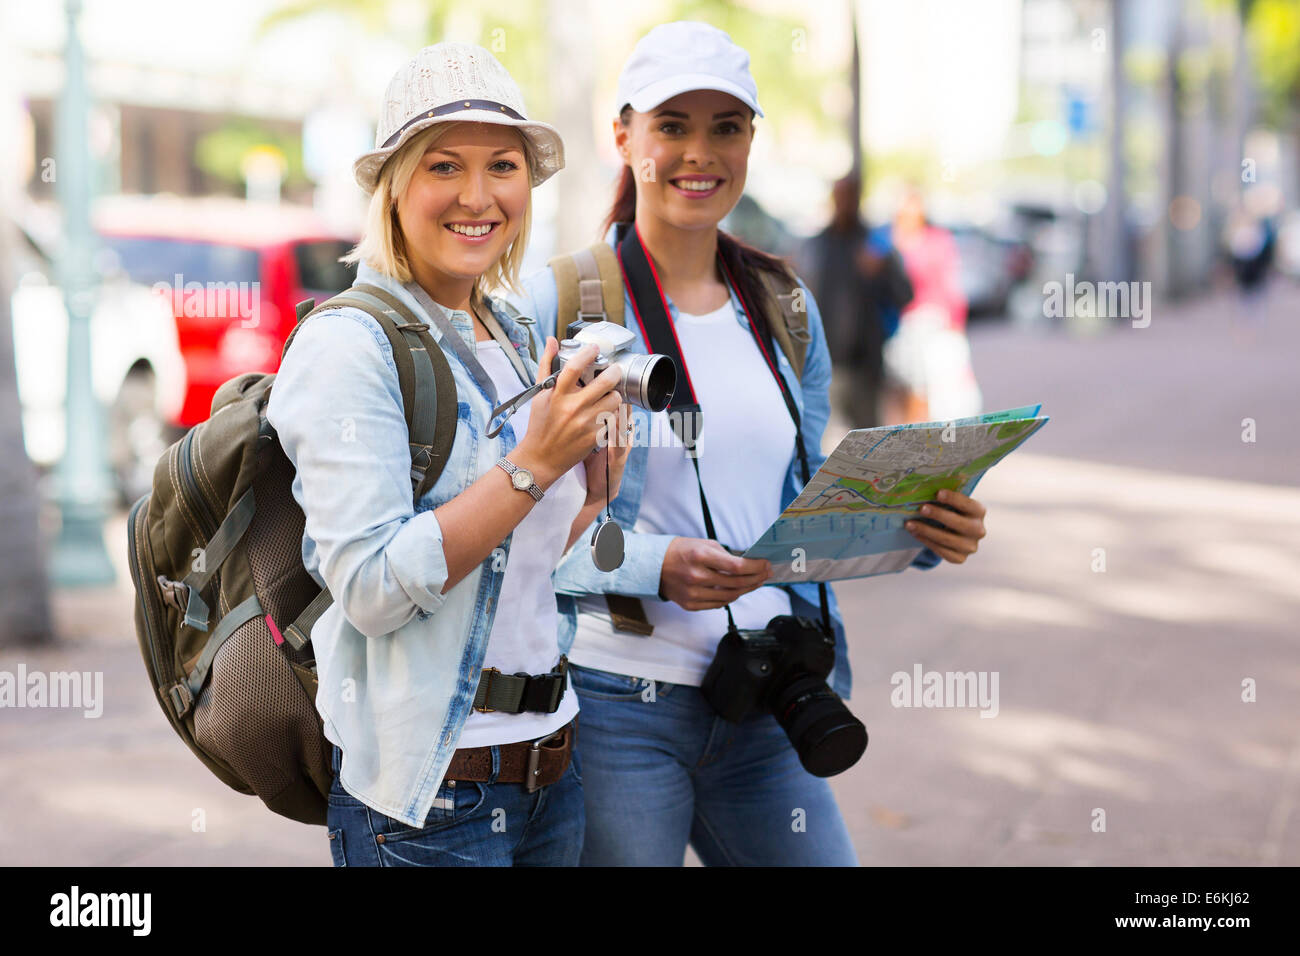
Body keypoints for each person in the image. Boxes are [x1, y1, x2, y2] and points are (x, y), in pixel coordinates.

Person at [513, 21, 990, 866]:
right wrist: (653, 564)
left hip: (768, 693)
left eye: (726, 126)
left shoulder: (782, 303)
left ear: (750, 142)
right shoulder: (562, 300)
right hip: (619, 704)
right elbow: (512, 529)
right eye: (673, 125)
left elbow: (802, 510)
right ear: (623, 136)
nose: (701, 152)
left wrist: (920, 530)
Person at [266, 42, 630, 867]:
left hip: (551, 771)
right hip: (433, 805)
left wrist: (593, 491)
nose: (477, 195)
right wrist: (532, 467)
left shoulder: (514, 331)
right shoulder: (347, 346)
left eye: (502, 165)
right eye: (443, 166)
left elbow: (517, 567)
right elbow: (370, 589)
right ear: (394, 188)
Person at [805, 173, 912, 427]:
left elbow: (905, 294)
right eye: (839, 196)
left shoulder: (876, 244)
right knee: (821, 440)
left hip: (865, 363)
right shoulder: (817, 245)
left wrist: (883, 269)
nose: (844, 203)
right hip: (825, 363)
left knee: (867, 439)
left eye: (849, 196)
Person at [877, 185, 981, 424]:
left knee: (920, 388)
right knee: (895, 389)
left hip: (924, 323)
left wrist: (956, 324)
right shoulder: (884, 240)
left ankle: (916, 436)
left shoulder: (936, 242)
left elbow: (949, 285)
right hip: (889, 327)